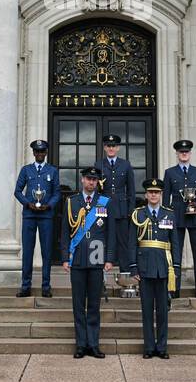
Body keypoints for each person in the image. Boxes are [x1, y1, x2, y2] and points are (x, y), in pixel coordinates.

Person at [64, 165, 116, 358]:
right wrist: (64, 257)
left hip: (97, 257)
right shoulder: (72, 201)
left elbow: (111, 233)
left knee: (94, 304)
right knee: (78, 304)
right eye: (88, 179)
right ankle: (80, 345)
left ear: (97, 182)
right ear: (82, 180)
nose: (91, 182)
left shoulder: (106, 202)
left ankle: (93, 344)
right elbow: (64, 231)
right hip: (77, 257)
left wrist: (109, 258)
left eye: (94, 180)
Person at [131, 178, 180, 359]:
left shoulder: (169, 214)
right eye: (151, 192)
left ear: (161, 195)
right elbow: (132, 242)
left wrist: (175, 267)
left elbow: (175, 242)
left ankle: (162, 347)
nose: (153, 195)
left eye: (157, 192)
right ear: (146, 194)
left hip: (163, 267)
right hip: (144, 268)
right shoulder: (138, 214)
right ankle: (149, 347)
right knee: (146, 310)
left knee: (162, 311)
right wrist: (133, 267)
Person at [163, 138, 196, 299]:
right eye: (181, 152)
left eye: (186, 152)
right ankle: (174, 287)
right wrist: (167, 217)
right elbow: (165, 198)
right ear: (177, 154)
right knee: (175, 253)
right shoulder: (170, 172)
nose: (184, 154)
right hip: (177, 217)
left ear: (190, 153)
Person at [14, 138, 60, 298]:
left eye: (42, 151)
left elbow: (57, 193)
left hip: (46, 215)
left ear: (46, 153)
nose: (40, 154)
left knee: (47, 252)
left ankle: (46, 286)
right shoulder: (26, 170)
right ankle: (25, 286)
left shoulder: (52, 171)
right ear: (33, 153)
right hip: (29, 215)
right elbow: (18, 191)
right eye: (37, 151)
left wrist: (50, 205)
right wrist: (28, 204)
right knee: (27, 251)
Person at [100, 133, 137, 279]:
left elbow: (132, 190)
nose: (111, 148)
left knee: (123, 244)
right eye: (108, 146)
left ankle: (125, 277)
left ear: (118, 148)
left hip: (122, 209)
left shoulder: (125, 164)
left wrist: (131, 210)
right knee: (103, 241)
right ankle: (100, 279)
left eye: (113, 146)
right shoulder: (99, 164)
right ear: (104, 148)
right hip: (104, 208)